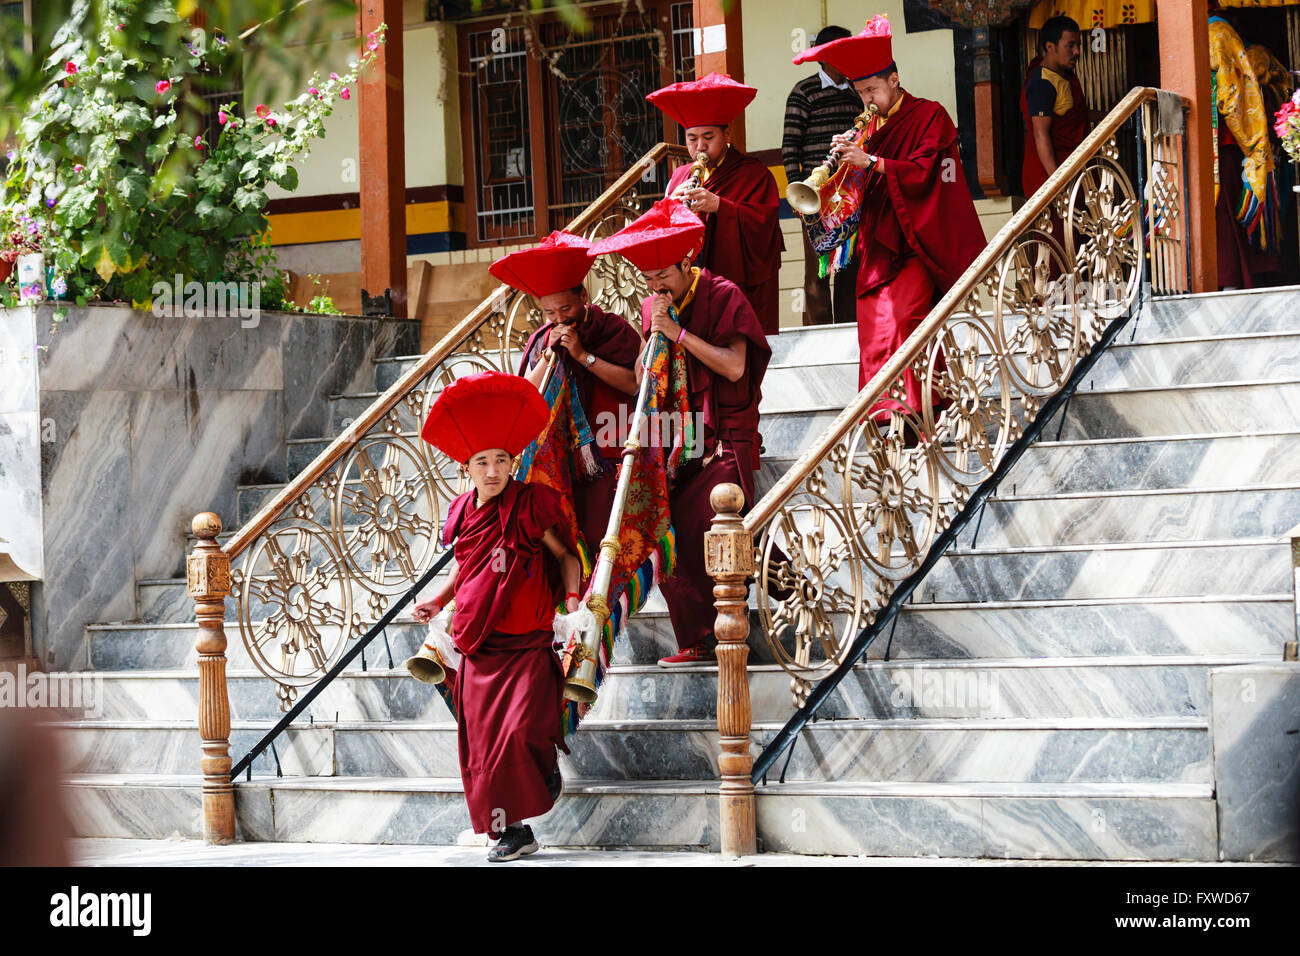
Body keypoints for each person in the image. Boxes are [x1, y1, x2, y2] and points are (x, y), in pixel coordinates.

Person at [590, 198, 771, 666]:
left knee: (699, 518)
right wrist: (650, 341)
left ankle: (769, 593)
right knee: (660, 521)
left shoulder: (723, 294)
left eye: (663, 277)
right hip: (681, 436)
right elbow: (643, 377)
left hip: (726, 433)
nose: (656, 287)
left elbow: (734, 367)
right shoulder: (652, 309)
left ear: (686, 264)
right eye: (648, 280)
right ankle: (698, 637)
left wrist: (678, 334)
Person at [412, 370, 582, 862]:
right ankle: (515, 831)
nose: (493, 471)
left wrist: (573, 604)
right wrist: (439, 601)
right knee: (485, 747)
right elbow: (466, 567)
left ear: (513, 462)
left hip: (527, 642)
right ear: (465, 467)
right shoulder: (463, 512)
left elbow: (566, 557)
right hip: (479, 645)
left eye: (502, 460)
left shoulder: (529, 504)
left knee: (521, 731)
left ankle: (543, 773)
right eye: (482, 462)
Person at [793, 15, 987, 421]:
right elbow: (858, 193)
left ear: (894, 80)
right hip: (878, 243)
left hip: (916, 239)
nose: (867, 100)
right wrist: (839, 169)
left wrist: (872, 161)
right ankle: (884, 415)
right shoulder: (866, 129)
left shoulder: (929, 115)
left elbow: (928, 172)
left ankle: (916, 408)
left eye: (873, 90)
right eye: (860, 92)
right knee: (871, 324)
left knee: (903, 319)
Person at [490, 231, 642, 562]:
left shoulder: (611, 328)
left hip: (606, 454)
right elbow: (527, 394)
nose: (559, 319)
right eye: (550, 313)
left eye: (565, 308)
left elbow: (634, 385)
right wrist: (549, 356)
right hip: (557, 459)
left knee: (603, 541)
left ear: (583, 296)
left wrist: (582, 355)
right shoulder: (542, 340)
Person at [648, 72, 785, 336]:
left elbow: (765, 226)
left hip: (739, 287)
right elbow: (660, 235)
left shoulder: (754, 174)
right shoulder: (680, 177)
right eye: (692, 139)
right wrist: (669, 206)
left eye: (708, 137)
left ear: (727, 134)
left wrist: (721, 206)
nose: (700, 147)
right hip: (693, 287)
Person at [783, 25, 863, 326]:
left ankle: (847, 333)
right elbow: (790, 147)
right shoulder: (803, 92)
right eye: (844, 52)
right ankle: (817, 338)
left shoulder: (857, 91)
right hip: (814, 198)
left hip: (850, 195)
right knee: (817, 272)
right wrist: (797, 194)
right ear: (826, 56)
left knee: (848, 268)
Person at [1021, 15, 1087, 199]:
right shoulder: (1042, 82)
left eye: (1078, 45)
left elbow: (1074, 115)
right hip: (1049, 176)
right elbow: (1040, 134)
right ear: (1050, 47)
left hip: (1072, 168)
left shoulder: (1064, 76)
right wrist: (1058, 185)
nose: (1076, 51)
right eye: (1070, 45)